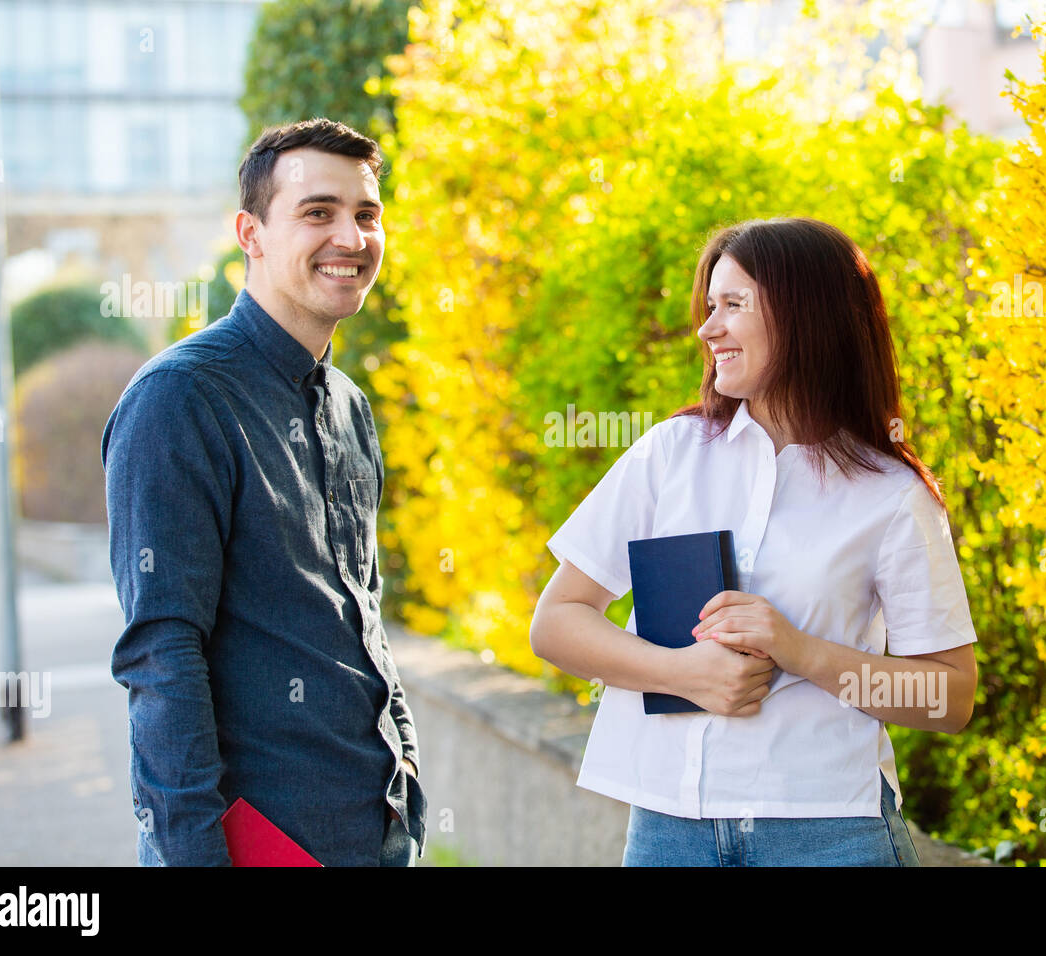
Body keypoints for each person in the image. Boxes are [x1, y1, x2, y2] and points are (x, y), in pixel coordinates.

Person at [530, 217, 979, 866]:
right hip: (668, 831)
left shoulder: (890, 494)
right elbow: (556, 623)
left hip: (826, 831)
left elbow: (947, 698)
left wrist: (799, 651)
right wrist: (683, 673)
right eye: (710, 306)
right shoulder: (670, 454)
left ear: (807, 319)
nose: (708, 329)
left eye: (733, 306)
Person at [102, 118, 425, 866]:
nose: (351, 235)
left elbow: (362, 615)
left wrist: (405, 769)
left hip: (375, 833)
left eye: (366, 214)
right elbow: (161, 655)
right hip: (260, 845)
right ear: (250, 232)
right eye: (318, 212)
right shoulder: (178, 400)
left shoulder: (348, 404)